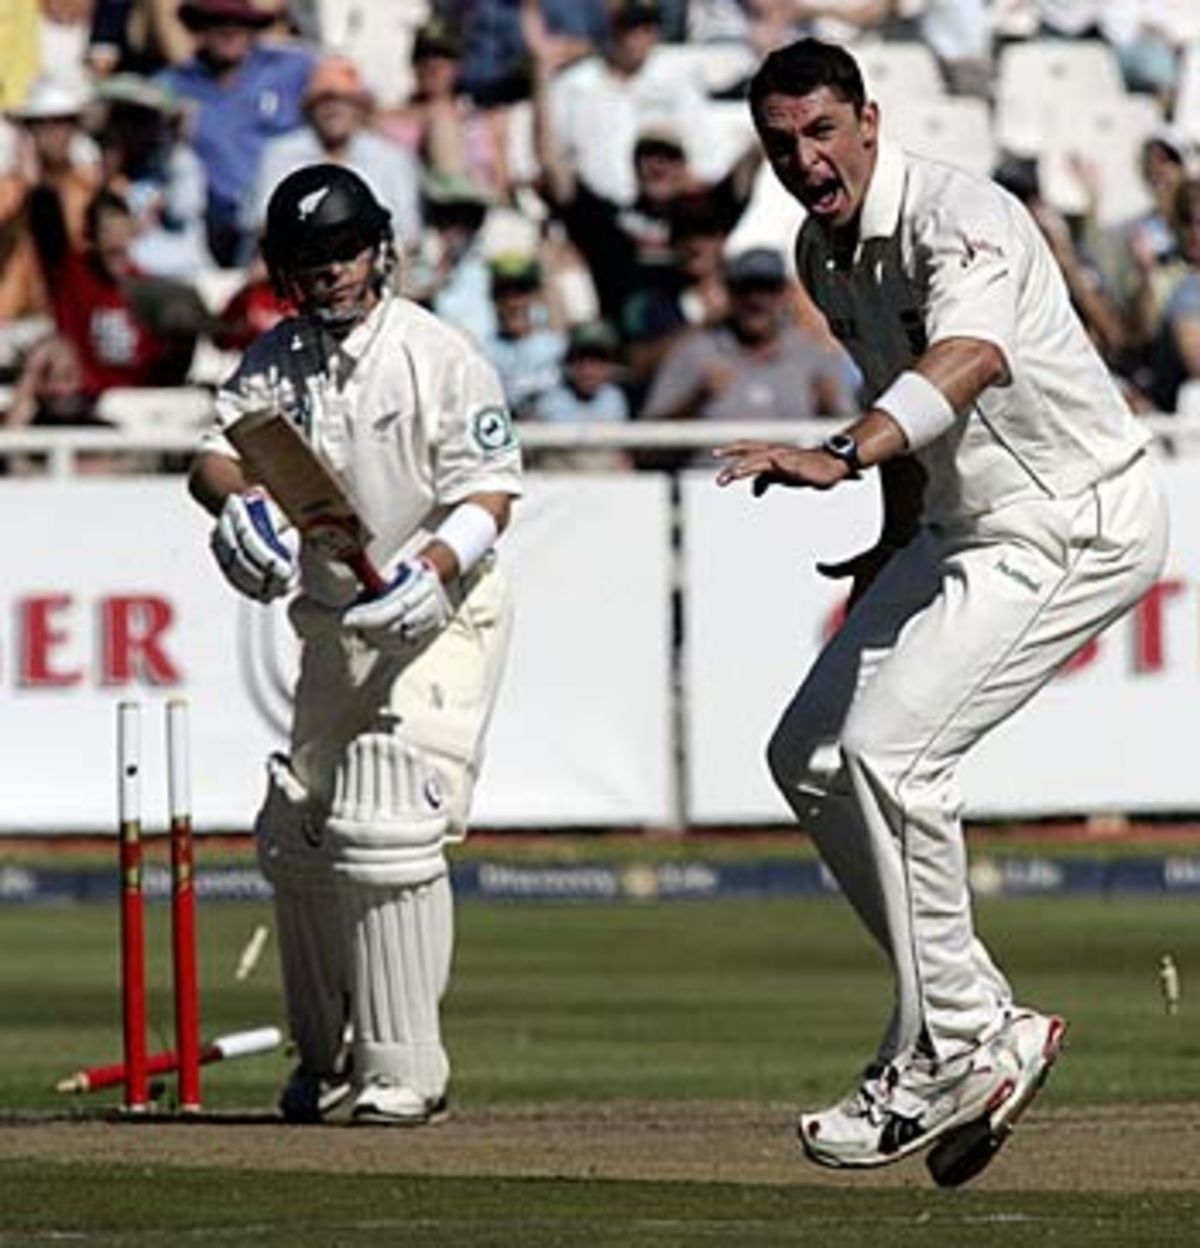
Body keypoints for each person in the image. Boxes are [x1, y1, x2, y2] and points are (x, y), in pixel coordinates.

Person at [713, 39, 1168, 1185]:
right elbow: (904, 388)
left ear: (869, 120)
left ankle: (959, 1039)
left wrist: (841, 456)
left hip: (1072, 517)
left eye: (822, 132)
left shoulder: (961, 218)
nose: (806, 162)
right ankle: (964, 1021)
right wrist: (890, 533)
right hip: (959, 527)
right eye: (781, 145)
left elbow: (968, 356)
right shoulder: (822, 254)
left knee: (889, 753)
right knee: (810, 756)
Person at [187, 163, 521, 1125]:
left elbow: (491, 488)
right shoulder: (277, 359)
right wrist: (238, 504)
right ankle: (326, 1054)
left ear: (378, 250)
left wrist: (435, 568)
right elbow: (216, 454)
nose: (330, 270)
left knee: (390, 820)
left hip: (441, 616)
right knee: (301, 830)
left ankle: (404, 1068)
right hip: (334, 624)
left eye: (343, 250)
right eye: (311, 256)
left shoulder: (437, 354)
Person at [157, 0, 315, 265]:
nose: (229, 31)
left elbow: (348, 90)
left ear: (252, 27)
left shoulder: (292, 68)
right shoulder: (172, 85)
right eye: (218, 21)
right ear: (199, 27)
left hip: (284, 217)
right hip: (209, 224)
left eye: (239, 22)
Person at [640, 246, 851, 426]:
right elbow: (647, 441)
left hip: (792, 462)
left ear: (785, 293)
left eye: (767, 288)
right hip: (713, 463)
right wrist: (695, 400)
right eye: (745, 288)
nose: (755, 299)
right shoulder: (695, 351)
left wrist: (830, 408)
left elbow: (850, 432)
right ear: (729, 292)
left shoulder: (814, 353)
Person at [245, 55, 422, 253]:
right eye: (323, 100)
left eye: (344, 100)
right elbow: (260, 223)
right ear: (309, 108)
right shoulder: (279, 154)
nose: (333, 108)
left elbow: (409, 234)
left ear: (360, 107)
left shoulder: (392, 159)